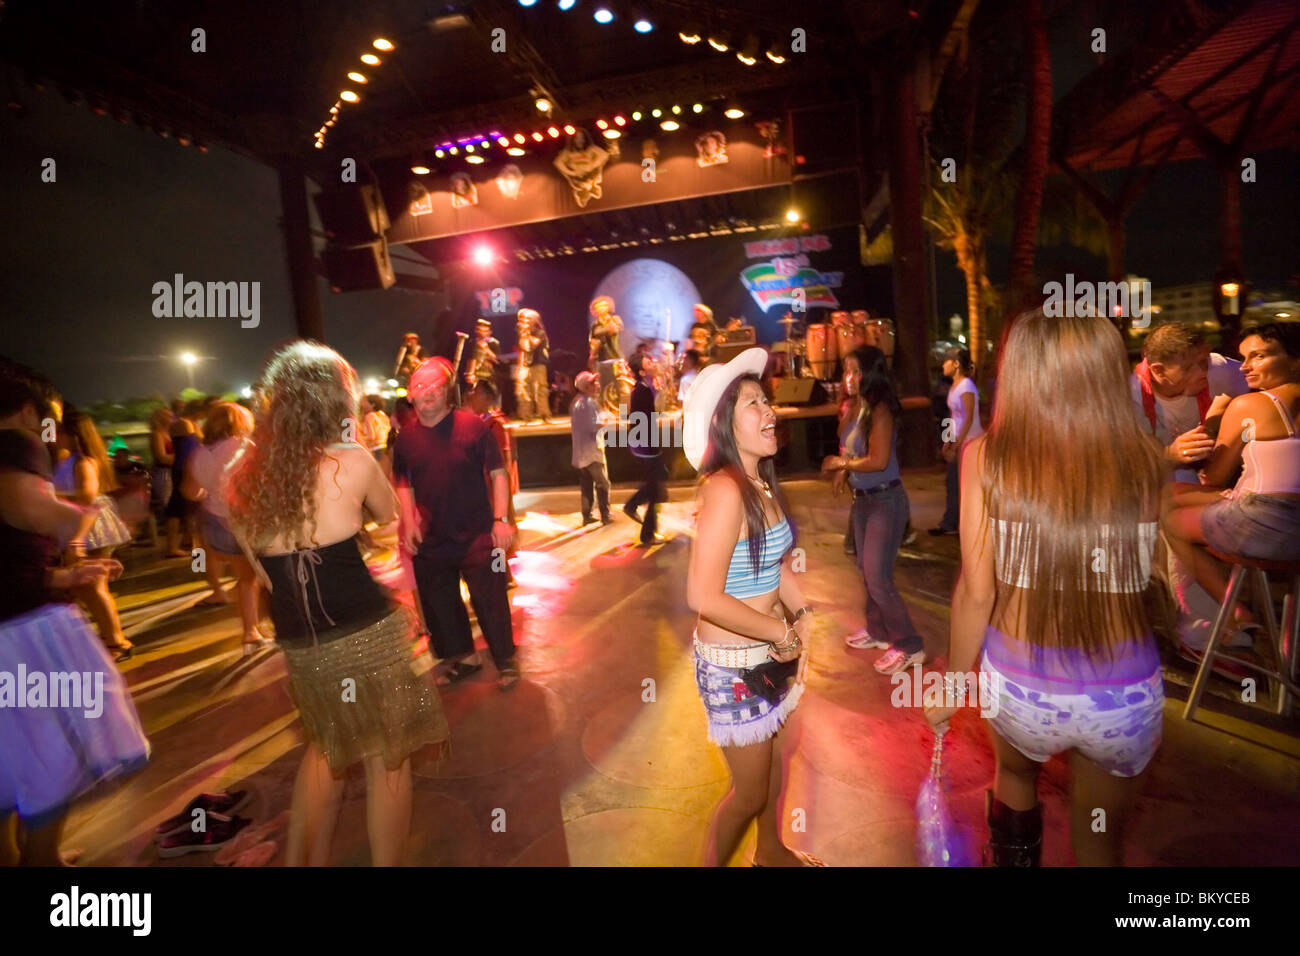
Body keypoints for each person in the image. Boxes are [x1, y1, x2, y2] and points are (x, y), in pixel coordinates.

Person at [924, 310, 1167, 867]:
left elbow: (975, 593)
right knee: (1101, 844)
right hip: (1122, 695)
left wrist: (952, 685)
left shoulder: (986, 458)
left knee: (1013, 776)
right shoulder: (1147, 458)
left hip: (1022, 688)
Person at [226, 341, 449, 867]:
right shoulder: (350, 461)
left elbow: (262, 575)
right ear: (335, 402)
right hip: (367, 633)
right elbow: (394, 518)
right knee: (386, 759)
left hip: (302, 644)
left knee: (327, 749)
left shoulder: (239, 477)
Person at [0, 357, 150, 866]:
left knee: (11, 752)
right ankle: (39, 860)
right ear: (26, 411)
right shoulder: (17, 445)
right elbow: (32, 508)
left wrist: (62, 575)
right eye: (49, 418)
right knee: (48, 751)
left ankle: (17, 853)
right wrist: (89, 519)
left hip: (13, 611)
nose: (51, 431)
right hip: (24, 633)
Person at [682, 347, 822, 867]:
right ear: (724, 424)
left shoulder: (759, 483)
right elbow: (702, 595)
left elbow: (774, 564)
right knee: (747, 794)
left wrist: (802, 615)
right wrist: (778, 632)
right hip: (733, 670)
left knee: (771, 766)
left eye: (767, 400)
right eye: (753, 404)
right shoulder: (724, 490)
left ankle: (771, 853)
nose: (770, 411)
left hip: (766, 656)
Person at [393, 358, 521, 690]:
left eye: (435, 385)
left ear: (448, 391)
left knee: (490, 599)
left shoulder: (474, 427)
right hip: (432, 537)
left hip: (479, 532)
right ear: (410, 395)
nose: (428, 392)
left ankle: (506, 660)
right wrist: (408, 522)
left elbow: (498, 473)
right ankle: (464, 658)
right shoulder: (405, 440)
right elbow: (403, 484)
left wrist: (501, 519)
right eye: (420, 386)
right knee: (440, 603)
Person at [1162, 323, 1300, 610]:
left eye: (1259, 356)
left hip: (1265, 524)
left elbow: (1213, 477)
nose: (1245, 367)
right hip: (1287, 520)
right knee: (1171, 492)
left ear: (1295, 359)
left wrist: (1215, 420)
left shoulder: (1249, 405)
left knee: (1168, 520)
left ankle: (1234, 612)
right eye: (1244, 357)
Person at [822, 346, 926, 674]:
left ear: (871, 373)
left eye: (855, 371)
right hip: (865, 501)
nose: (848, 378)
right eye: (845, 371)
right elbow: (846, 441)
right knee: (868, 572)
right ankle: (879, 632)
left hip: (886, 501)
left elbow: (878, 460)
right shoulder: (860, 407)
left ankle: (910, 645)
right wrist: (844, 469)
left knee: (878, 577)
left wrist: (843, 463)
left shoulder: (881, 410)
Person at [182, 402, 267, 654]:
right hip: (247, 523)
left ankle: (251, 631)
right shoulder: (246, 447)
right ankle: (257, 628)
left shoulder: (199, 453)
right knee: (257, 578)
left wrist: (212, 488)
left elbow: (191, 491)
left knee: (245, 578)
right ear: (242, 423)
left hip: (216, 523)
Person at [53, 409, 135, 661]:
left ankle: (115, 640)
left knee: (93, 588)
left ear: (69, 433)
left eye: (57, 430)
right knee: (90, 589)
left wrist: (47, 496)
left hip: (88, 530)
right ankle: (112, 637)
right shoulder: (70, 459)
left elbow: (87, 497)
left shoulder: (83, 461)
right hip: (82, 528)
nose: (52, 435)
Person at [468, 380, 519, 589]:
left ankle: (502, 577)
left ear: (487, 398)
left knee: (496, 536)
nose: (472, 396)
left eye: (477, 393)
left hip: (493, 491)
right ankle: (502, 576)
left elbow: (501, 463)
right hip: (487, 490)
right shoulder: (485, 422)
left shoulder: (494, 425)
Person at [931, 347, 984, 535]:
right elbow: (953, 416)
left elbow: (968, 418)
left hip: (970, 440)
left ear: (956, 364)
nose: (943, 365)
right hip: (961, 439)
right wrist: (947, 442)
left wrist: (957, 444)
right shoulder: (955, 385)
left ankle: (957, 524)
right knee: (953, 482)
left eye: (946, 361)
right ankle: (951, 523)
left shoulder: (966, 386)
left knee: (962, 483)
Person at [622, 353, 668, 547]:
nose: (653, 362)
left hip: (644, 444)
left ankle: (632, 506)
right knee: (655, 488)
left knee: (657, 483)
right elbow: (643, 419)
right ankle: (647, 534)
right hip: (645, 445)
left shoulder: (643, 389)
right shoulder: (642, 390)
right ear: (641, 371)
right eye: (648, 362)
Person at [571, 371, 612, 525]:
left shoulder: (577, 402)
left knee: (586, 485)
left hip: (580, 453)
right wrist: (607, 422)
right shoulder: (589, 404)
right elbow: (594, 427)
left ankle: (587, 515)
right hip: (592, 452)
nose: (597, 386)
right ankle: (605, 515)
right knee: (603, 484)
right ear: (587, 387)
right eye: (594, 383)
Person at [164, 404, 200, 557]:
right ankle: (173, 546)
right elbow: (195, 444)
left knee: (187, 507)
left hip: (185, 468)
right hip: (184, 469)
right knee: (178, 507)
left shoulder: (187, 424)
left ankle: (188, 540)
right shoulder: (184, 424)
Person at [515, 308, 551, 422]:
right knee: (523, 390)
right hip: (526, 365)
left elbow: (534, 344)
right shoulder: (522, 335)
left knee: (540, 389)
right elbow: (523, 350)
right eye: (522, 320)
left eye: (526, 319)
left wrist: (527, 333)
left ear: (533, 320)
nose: (523, 322)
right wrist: (519, 367)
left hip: (538, 364)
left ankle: (544, 414)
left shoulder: (540, 333)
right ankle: (526, 416)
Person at [465, 318, 499, 388]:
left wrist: (486, 349)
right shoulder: (473, 343)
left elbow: (497, 360)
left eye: (485, 331)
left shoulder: (494, 343)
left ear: (489, 332)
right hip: (476, 376)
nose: (482, 333)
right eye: (479, 330)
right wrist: (470, 373)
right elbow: (471, 358)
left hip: (489, 376)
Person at [358, 394, 390, 461]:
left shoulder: (370, 416)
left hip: (376, 450)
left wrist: (357, 438)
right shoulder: (382, 414)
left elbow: (371, 436)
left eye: (365, 402)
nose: (362, 405)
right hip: (385, 448)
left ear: (372, 404)